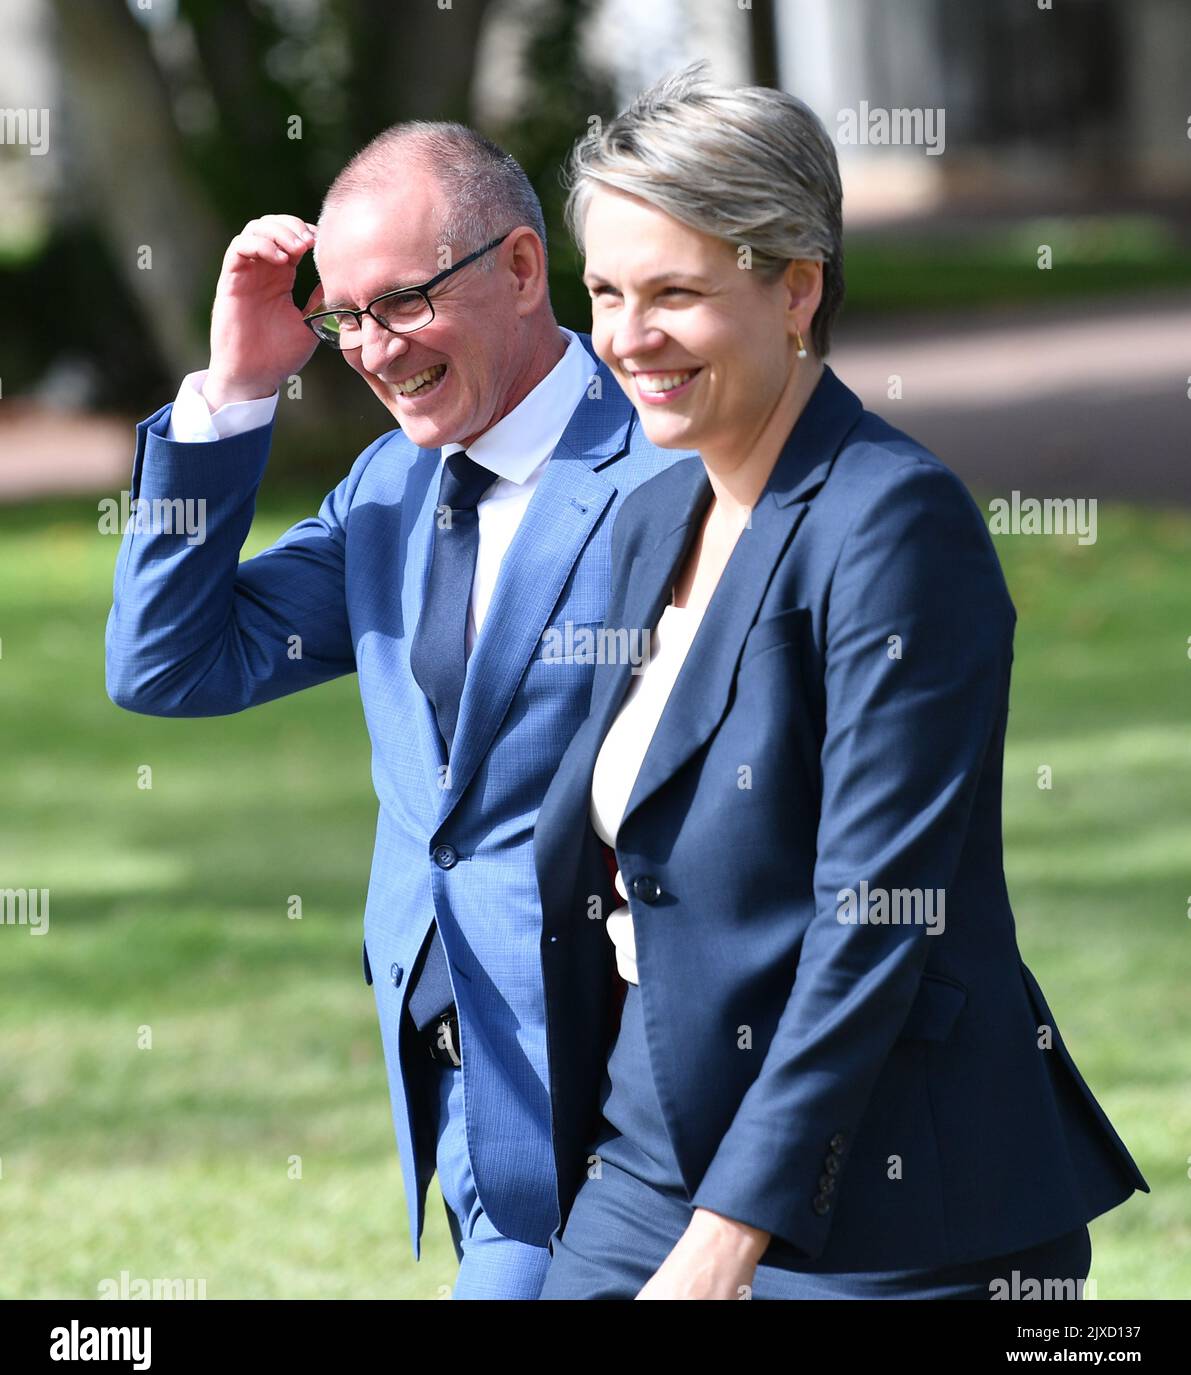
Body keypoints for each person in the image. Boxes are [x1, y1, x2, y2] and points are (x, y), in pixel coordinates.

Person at [533, 65, 1149, 1300]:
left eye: (675, 293)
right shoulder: (651, 517)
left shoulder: (896, 524)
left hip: (890, 1193)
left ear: (797, 288)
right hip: (648, 1147)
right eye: (604, 291)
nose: (627, 337)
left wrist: (729, 1232)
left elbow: (876, 912)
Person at [104, 121, 690, 1299]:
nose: (373, 349)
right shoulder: (389, 488)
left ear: (520, 267)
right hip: (470, 1104)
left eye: (404, 302)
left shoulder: (670, 463)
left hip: (633, 1100)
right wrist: (236, 392)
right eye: (344, 319)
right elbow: (167, 661)